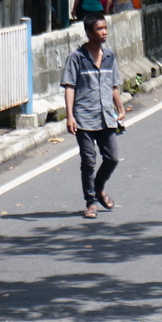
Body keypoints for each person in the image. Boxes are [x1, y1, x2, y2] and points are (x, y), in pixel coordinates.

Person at [62, 12, 126, 219]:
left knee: (113, 158)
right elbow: (70, 87)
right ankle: (90, 201)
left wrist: (120, 107)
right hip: (84, 117)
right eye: (100, 29)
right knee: (88, 161)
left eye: (105, 28)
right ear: (89, 33)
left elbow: (113, 85)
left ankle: (98, 188)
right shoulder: (76, 58)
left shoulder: (109, 56)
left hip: (106, 116)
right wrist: (69, 116)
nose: (104, 32)